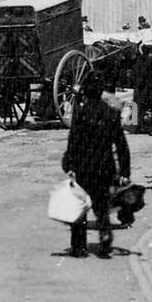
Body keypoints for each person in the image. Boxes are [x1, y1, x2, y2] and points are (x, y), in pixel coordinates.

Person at [62, 73, 130, 258]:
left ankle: (79, 247)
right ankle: (105, 233)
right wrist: (124, 170)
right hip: (104, 165)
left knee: (79, 206)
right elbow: (121, 144)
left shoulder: (81, 112)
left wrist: (68, 161)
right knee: (101, 206)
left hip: (84, 165)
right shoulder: (111, 113)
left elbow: (74, 140)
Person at [131, 42, 152, 134]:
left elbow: (133, 75)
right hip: (144, 88)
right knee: (143, 107)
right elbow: (148, 75)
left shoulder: (137, 61)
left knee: (136, 107)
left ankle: (135, 127)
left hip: (137, 88)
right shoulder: (148, 61)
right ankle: (141, 127)